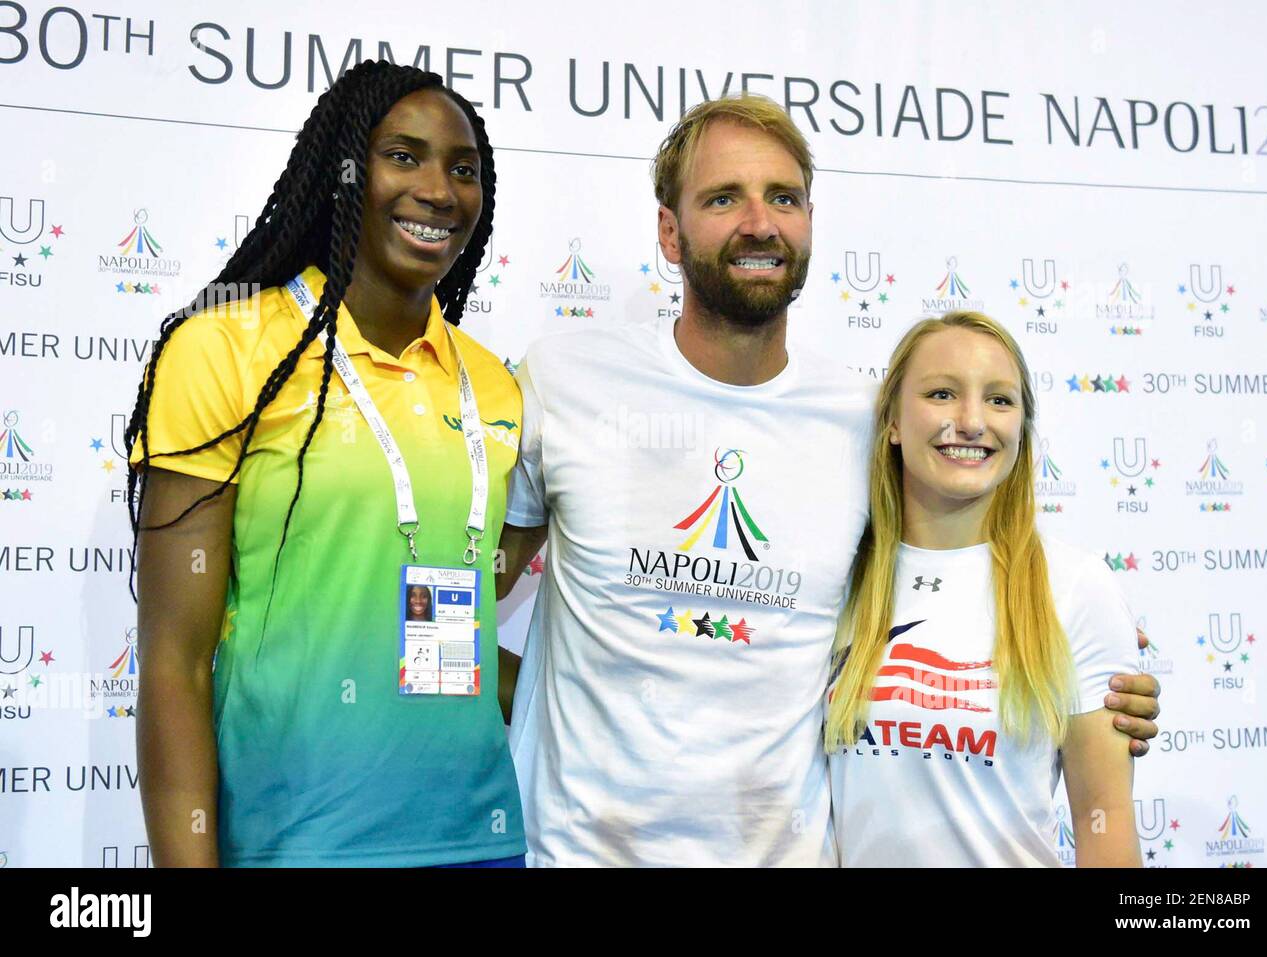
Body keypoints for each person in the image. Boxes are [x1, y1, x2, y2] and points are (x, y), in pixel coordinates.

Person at [495, 94, 1161, 867]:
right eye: (723, 198)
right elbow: (476, 593)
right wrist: (532, 708)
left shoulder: (865, 423)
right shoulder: (566, 380)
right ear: (669, 233)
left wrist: (1094, 685)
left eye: (784, 198)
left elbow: (961, 579)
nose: (760, 222)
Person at [127, 61, 525, 867]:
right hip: (296, 846)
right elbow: (173, 663)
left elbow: (455, 606)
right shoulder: (226, 351)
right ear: (342, 173)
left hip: (480, 839)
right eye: (403, 156)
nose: (440, 190)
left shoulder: (494, 384)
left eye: (463, 168)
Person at [826, 312, 1141, 867]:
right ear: (893, 421)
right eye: (942, 393)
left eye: (1000, 400)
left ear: (1022, 425)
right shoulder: (831, 577)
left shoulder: (1074, 586)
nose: (971, 422)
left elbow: (1105, 819)